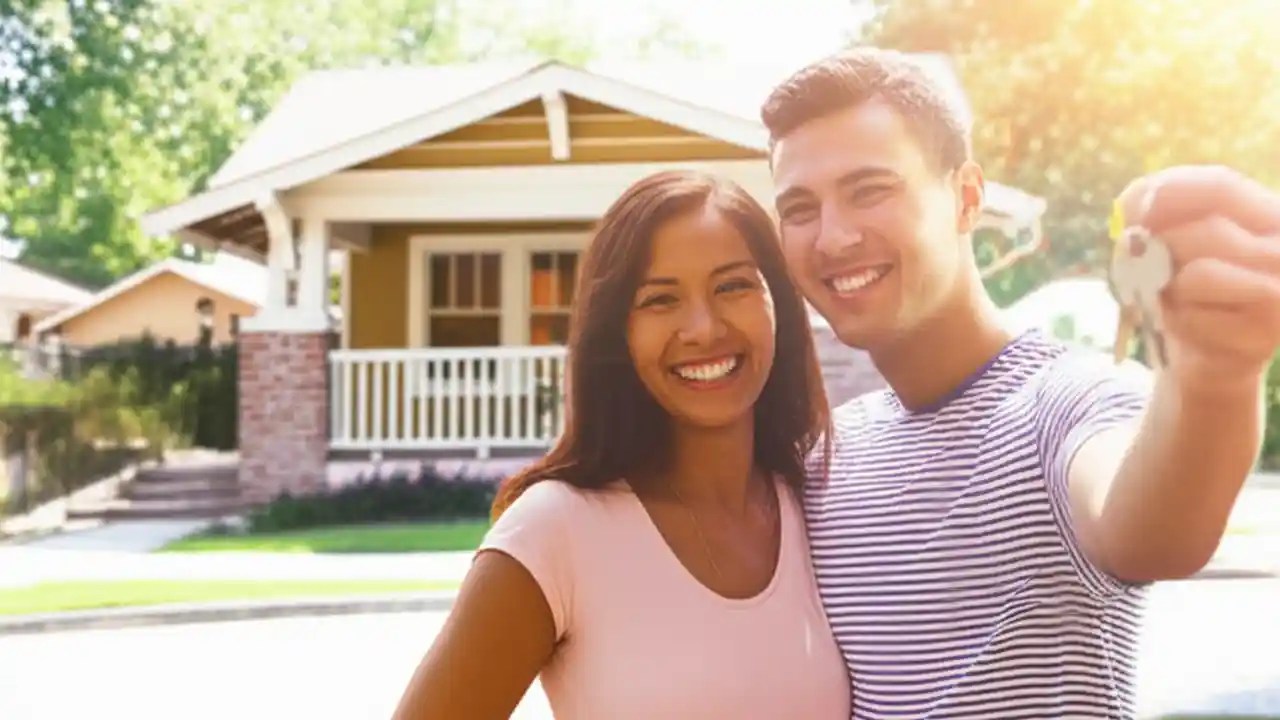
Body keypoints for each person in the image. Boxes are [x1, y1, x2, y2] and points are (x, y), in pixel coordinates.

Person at [761, 46, 1280, 719]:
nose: (831, 238)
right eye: (799, 208)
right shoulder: (827, 454)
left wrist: (1213, 376)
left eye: (870, 191)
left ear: (966, 197)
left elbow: (1152, 531)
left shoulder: (1066, 401)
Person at [391, 170, 851, 719]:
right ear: (617, 332)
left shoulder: (818, 507)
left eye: (732, 286)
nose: (703, 328)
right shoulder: (554, 531)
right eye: (659, 300)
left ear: (779, 302)